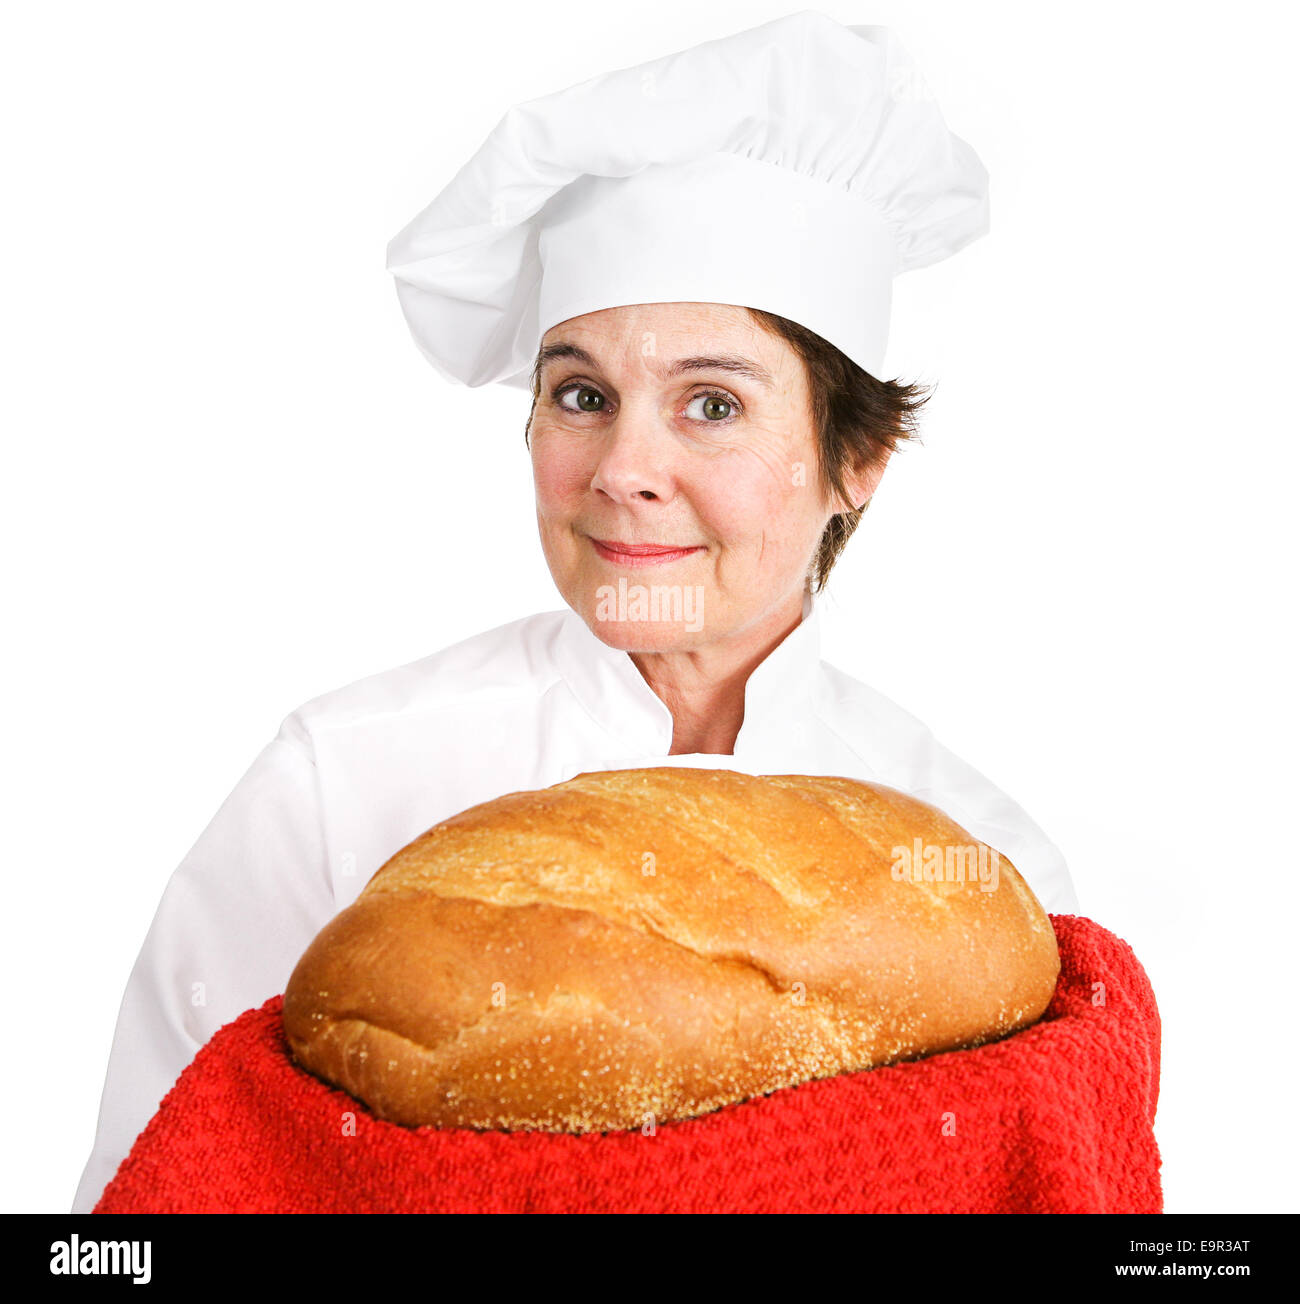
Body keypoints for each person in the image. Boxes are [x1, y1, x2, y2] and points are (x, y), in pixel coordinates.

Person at [72, 11, 1078, 1213]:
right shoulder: (339, 782)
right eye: (582, 393)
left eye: (711, 403)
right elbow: (138, 1204)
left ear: (856, 459)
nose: (620, 468)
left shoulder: (974, 858)